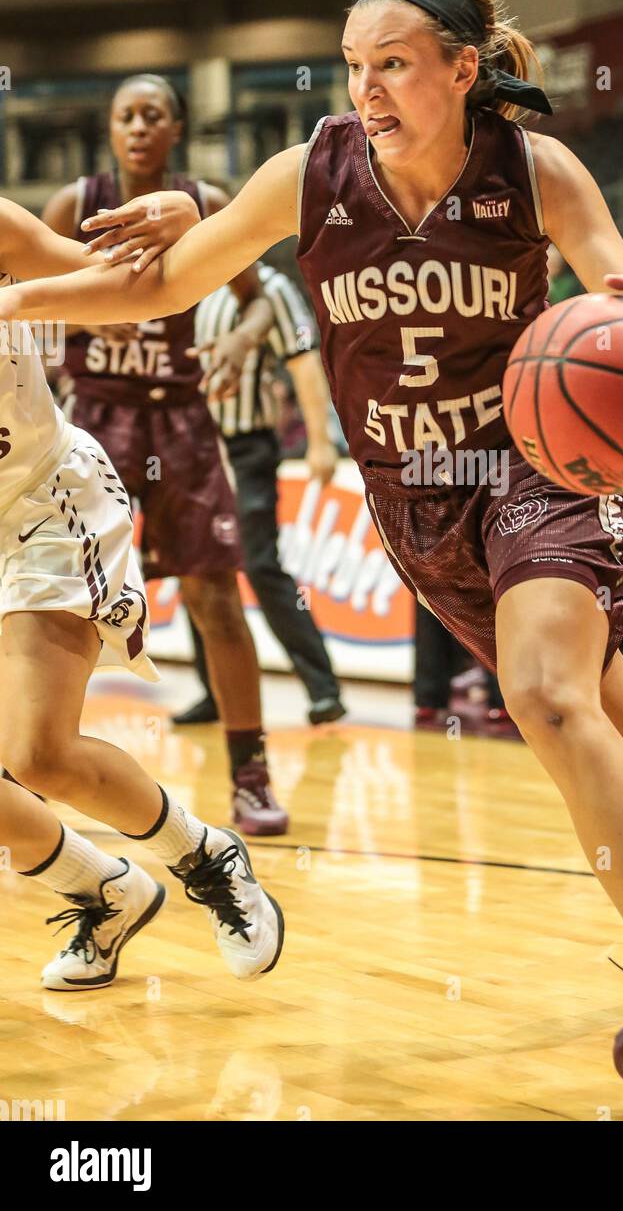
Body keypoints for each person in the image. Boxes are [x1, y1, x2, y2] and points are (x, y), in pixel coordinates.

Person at [9, 0, 623, 1116]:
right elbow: (157, 288)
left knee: (544, 695)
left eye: (392, 64)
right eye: (352, 67)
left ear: (460, 68)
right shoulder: (308, 177)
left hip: (536, 472)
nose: (366, 89)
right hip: (418, 512)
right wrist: (13, 301)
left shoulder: (535, 172)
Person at [0, 197, 283, 990]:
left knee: (36, 753)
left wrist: (186, 222)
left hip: (41, 505)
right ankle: (105, 891)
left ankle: (206, 856)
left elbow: (137, 288)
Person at [42, 74, 288, 835]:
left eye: (153, 115)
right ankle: (41, 766)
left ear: (176, 129)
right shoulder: (73, 204)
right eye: (126, 116)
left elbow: (260, 297)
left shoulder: (203, 202)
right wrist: (85, 322)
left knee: (216, 600)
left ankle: (251, 776)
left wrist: (241, 340)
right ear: (110, 130)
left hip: (181, 421)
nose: (139, 126)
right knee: (65, 607)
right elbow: (29, 300)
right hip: (98, 424)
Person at [175, 261, 346, 727]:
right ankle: (213, 692)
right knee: (197, 565)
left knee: (259, 563)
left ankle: (322, 688)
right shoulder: (197, 282)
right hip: (198, 449)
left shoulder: (272, 288)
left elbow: (303, 360)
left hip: (249, 447)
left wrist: (319, 440)